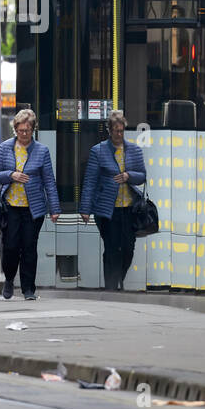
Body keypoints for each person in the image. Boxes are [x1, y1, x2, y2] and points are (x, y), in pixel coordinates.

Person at [0, 108, 61, 300]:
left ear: (33, 130)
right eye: (21, 130)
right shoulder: (5, 147)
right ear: (15, 129)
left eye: (27, 130)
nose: (24, 134)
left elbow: (49, 181)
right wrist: (11, 175)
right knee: (11, 246)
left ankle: (28, 289)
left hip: (34, 208)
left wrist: (54, 209)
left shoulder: (42, 151)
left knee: (29, 248)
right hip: (11, 206)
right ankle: (9, 280)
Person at [80, 109, 148, 291]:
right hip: (107, 210)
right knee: (111, 248)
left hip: (129, 209)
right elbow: (90, 182)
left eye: (122, 131)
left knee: (128, 248)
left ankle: (118, 278)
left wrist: (128, 175)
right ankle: (111, 287)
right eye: (116, 130)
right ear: (109, 130)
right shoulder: (98, 151)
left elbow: (142, 176)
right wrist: (85, 209)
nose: (119, 134)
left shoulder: (133, 150)